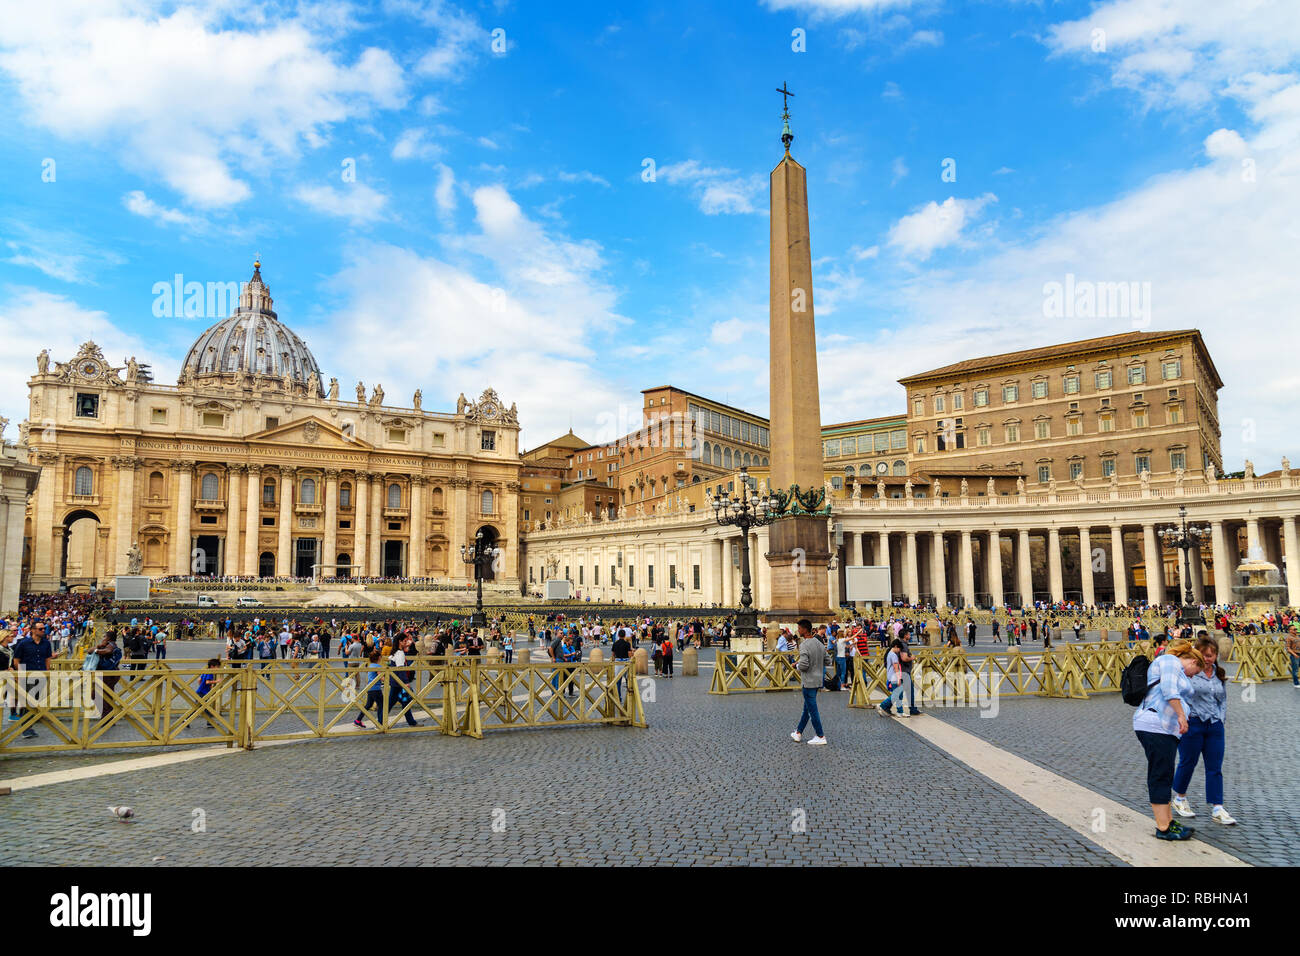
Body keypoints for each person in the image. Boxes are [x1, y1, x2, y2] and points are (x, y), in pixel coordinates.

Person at [1133, 638, 1205, 841]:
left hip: (1164, 728)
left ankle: (1168, 821)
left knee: (1164, 772)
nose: (1194, 676)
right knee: (1160, 773)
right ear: (1192, 661)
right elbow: (1169, 690)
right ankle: (1163, 827)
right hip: (1155, 724)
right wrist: (1182, 715)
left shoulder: (1174, 666)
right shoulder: (1169, 662)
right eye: (1196, 671)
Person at [1171, 634, 1236, 825]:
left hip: (1215, 725)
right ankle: (1180, 798)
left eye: (1212, 655)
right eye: (1205, 655)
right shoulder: (1189, 673)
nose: (1209, 659)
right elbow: (1177, 696)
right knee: (1188, 762)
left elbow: (1222, 700)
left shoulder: (1219, 674)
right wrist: (1184, 717)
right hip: (1193, 723)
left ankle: (1217, 807)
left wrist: (1221, 719)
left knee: (1215, 767)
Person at [12, 621, 61, 737]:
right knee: (28, 702)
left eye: (44, 629)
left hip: (41, 676)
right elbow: (16, 660)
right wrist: (20, 675)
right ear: (33, 630)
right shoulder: (23, 643)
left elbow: (47, 659)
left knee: (35, 702)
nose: (43, 630)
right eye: (40, 629)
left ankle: (28, 725)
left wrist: (47, 672)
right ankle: (26, 728)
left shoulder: (46, 644)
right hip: (27, 676)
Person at [790, 620, 827, 745]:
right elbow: (828, 660)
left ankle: (820, 735)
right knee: (807, 708)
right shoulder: (819, 643)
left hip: (808, 681)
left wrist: (797, 666)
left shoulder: (804, 645)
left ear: (805, 630)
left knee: (812, 710)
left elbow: (804, 665)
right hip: (818, 680)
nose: (798, 631)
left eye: (799, 628)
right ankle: (798, 732)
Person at [877, 639, 908, 718]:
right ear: (896, 646)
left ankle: (899, 711)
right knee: (896, 695)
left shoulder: (889, 654)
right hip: (894, 677)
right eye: (899, 649)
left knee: (898, 695)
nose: (899, 651)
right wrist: (899, 678)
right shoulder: (893, 655)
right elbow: (896, 667)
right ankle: (882, 705)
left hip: (891, 676)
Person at [612, 628, 632, 703]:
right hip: (626, 663)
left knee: (618, 682)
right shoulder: (627, 644)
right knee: (628, 680)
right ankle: (629, 696)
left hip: (617, 663)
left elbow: (613, 655)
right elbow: (629, 655)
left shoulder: (615, 644)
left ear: (618, 635)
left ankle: (618, 697)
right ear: (624, 635)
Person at [1286, 624, 1300, 688]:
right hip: (1295, 655)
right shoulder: (1289, 638)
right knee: (1295, 670)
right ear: (1290, 630)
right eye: (1294, 629)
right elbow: (1288, 648)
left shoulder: (1297, 636)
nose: (1296, 630)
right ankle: (1296, 683)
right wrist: (1294, 654)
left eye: (1296, 629)